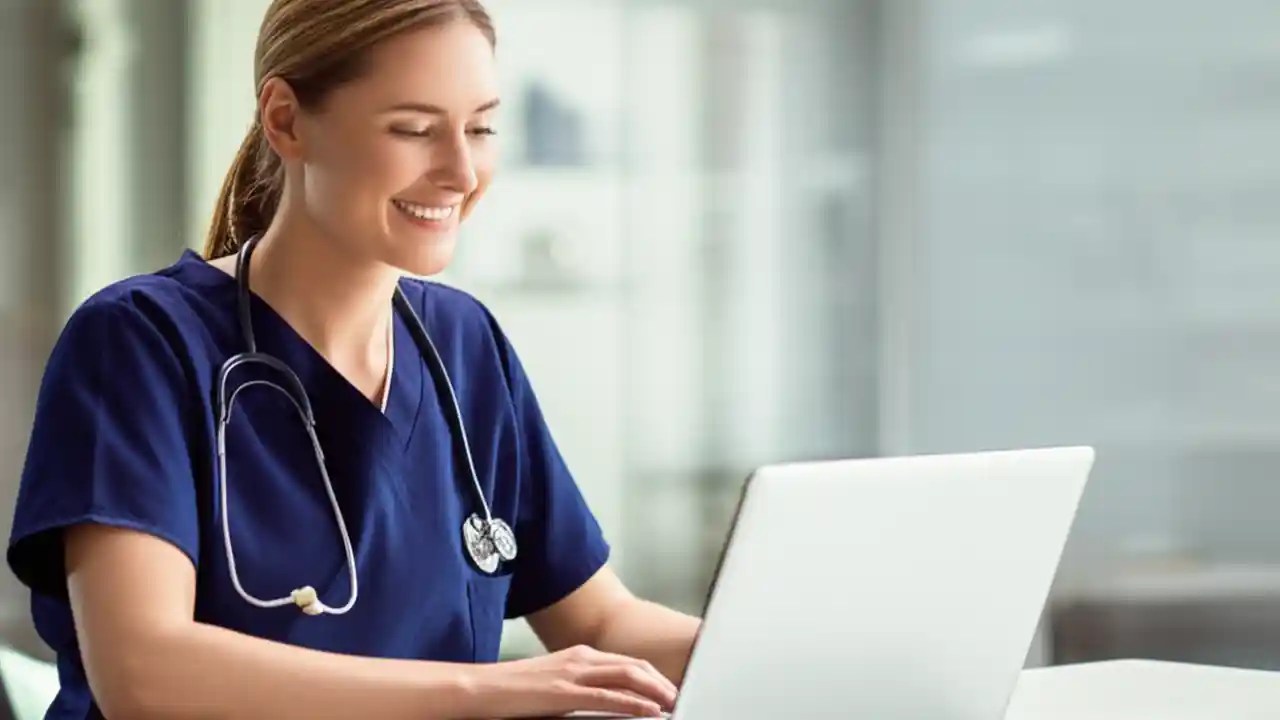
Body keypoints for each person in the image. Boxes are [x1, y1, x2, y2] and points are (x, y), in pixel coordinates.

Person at [5, 1, 701, 718]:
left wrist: (788, 648)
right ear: (286, 120)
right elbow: (145, 676)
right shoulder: (141, 343)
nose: (461, 171)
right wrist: (489, 690)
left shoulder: (465, 347)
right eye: (414, 130)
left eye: (482, 127)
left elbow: (601, 623)